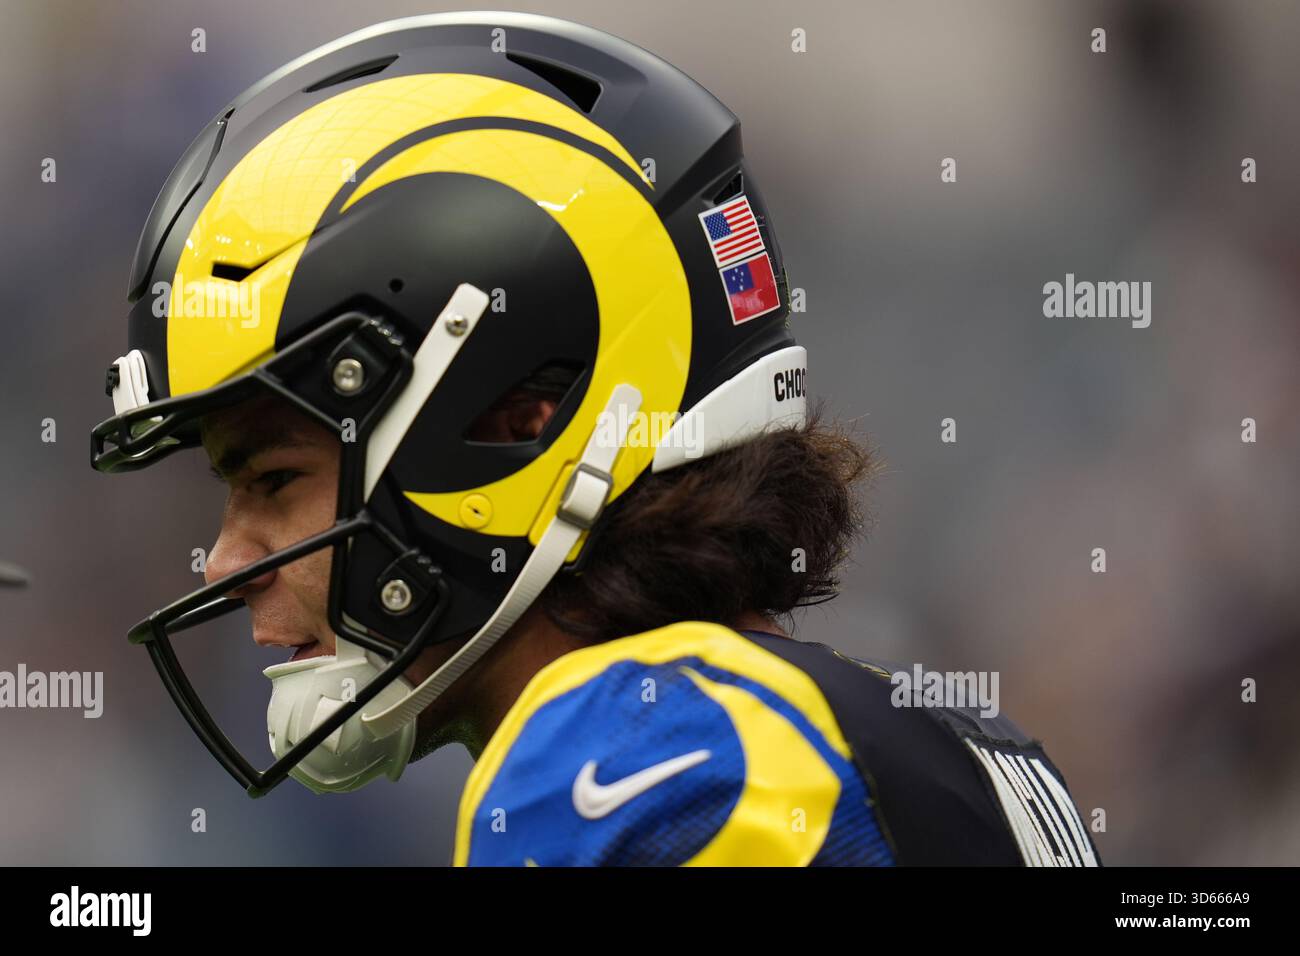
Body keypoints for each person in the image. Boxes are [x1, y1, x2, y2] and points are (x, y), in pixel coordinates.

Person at [91, 12, 1099, 866]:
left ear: (513, 416)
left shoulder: (631, 750)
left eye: (273, 476)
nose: (227, 558)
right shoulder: (952, 735)